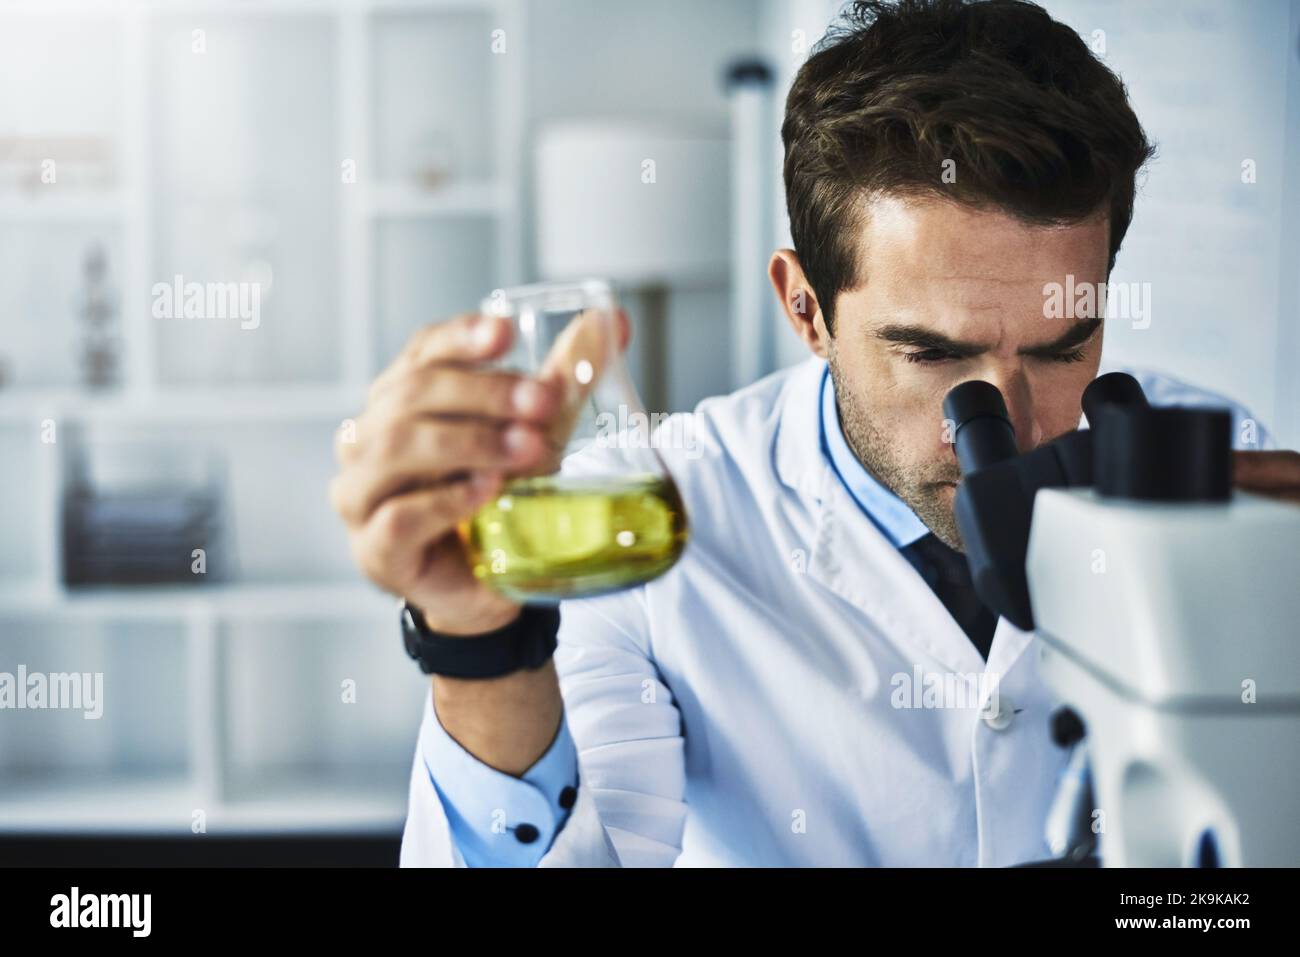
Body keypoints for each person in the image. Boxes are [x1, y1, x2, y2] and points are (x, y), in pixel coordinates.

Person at [330, 0, 1300, 866]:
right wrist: (478, 644)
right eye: (930, 355)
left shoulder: (1228, 467)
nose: (1005, 428)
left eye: (1061, 347)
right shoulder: (658, 516)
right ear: (805, 308)